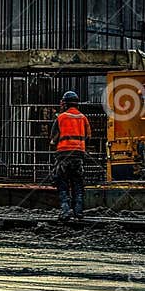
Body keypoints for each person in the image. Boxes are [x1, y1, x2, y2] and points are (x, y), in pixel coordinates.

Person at [50, 91, 90, 220]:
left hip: (63, 155)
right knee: (77, 183)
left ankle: (65, 211)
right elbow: (88, 137)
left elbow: (53, 140)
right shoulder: (83, 118)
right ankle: (78, 212)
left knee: (62, 183)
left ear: (65, 104)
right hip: (78, 155)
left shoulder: (60, 118)